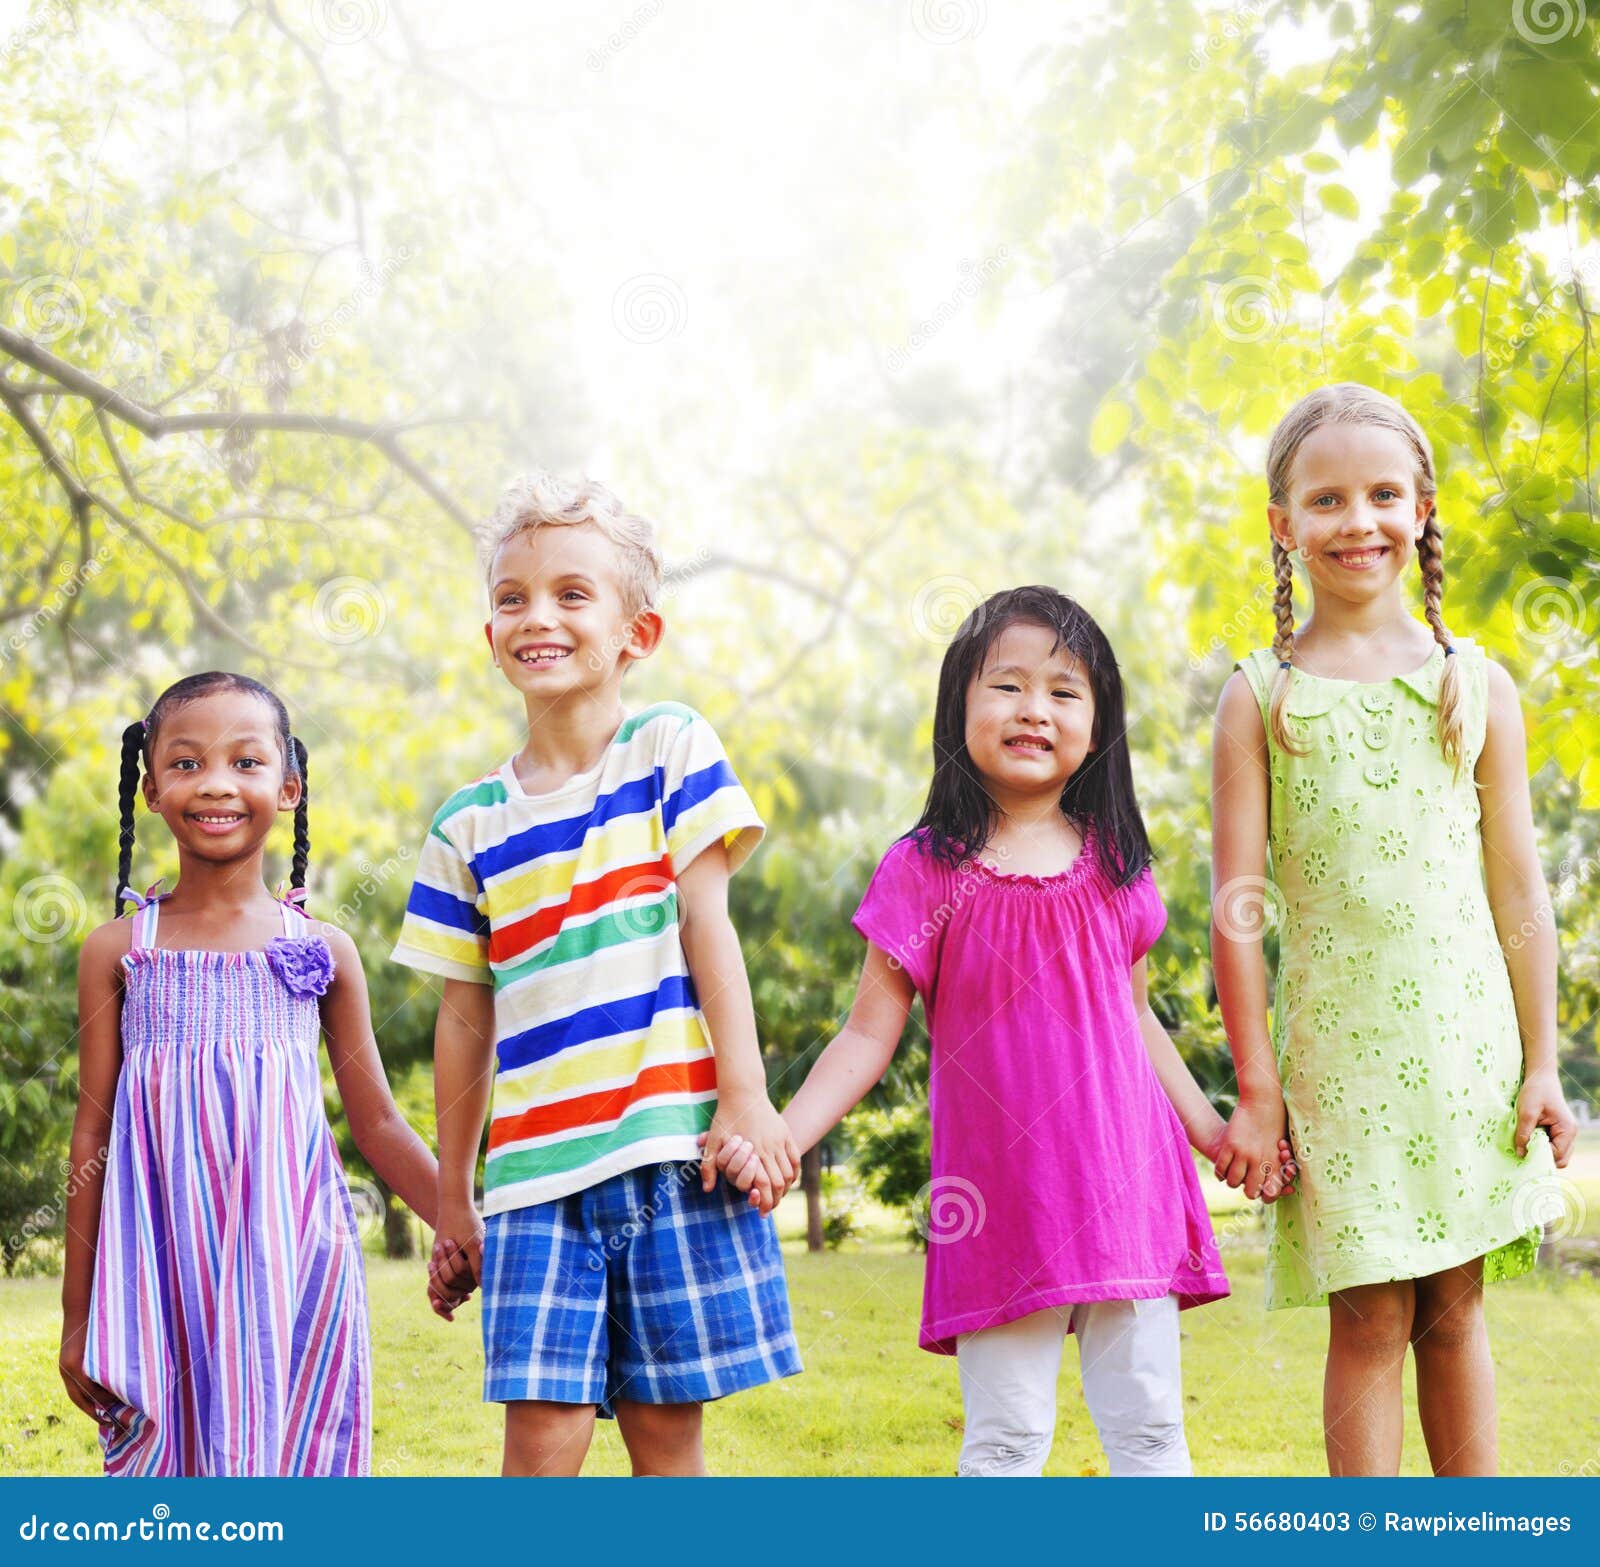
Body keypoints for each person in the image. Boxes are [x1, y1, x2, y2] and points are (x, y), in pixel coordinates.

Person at [716, 585, 1280, 1476]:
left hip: (1128, 1195)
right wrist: (783, 1134)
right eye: (1006, 685)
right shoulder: (924, 869)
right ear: (959, 708)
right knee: (1008, 1440)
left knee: (1150, 1435)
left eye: (1064, 691)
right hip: (1001, 1206)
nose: (1033, 708)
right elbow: (868, 1036)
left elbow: (1136, 1019)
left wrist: (1213, 1131)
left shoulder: (1117, 864)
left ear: (1098, 725)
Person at [392, 471, 800, 1477]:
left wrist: (743, 1095)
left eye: (573, 594)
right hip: (534, 1183)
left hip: (668, 1154)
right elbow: (461, 1019)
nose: (538, 616)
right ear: (491, 630)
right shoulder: (467, 823)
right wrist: (455, 1197)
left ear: (635, 633)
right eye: (512, 597)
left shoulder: (669, 748)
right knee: (539, 1446)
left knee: (667, 1440)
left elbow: (710, 925)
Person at [1209, 382, 1577, 1475]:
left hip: (1466, 1059)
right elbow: (1238, 909)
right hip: (1339, 1065)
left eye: (1380, 494)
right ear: (1283, 525)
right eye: (1325, 499)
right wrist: (1258, 1086)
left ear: (1421, 506)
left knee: (1455, 1310)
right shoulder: (1259, 697)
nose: (1356, 520)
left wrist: (1543, 1061)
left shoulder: (1476, 687)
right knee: (1368, 1317)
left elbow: (1517, 891)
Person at [62, 672, 443, 1475]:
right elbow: (91, 1133)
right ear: (153, 788)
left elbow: (376, 1121)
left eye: (246, 761)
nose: (217, 785)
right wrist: (76, 1315)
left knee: (292, 1462)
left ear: (289, 785)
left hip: (291, 1266)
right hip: (158, 1274)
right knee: (167, 1481)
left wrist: (460, 1220)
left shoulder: (323, 951)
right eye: (188, 762)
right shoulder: (120, 951)